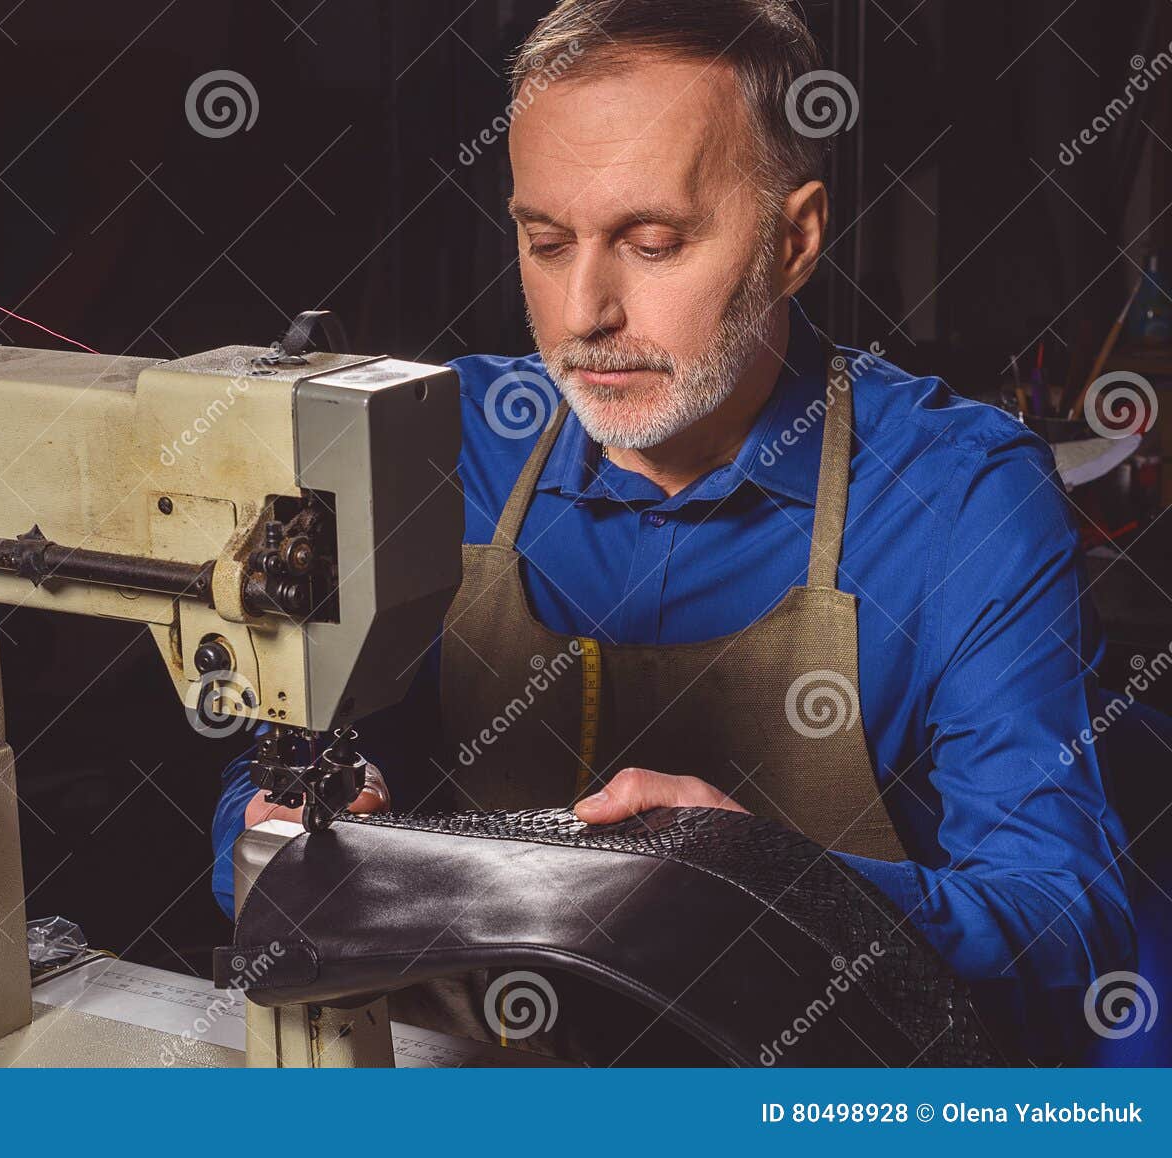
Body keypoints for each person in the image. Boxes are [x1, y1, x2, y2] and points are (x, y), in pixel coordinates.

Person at [212, 0, 1135, 1062]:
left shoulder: (957, 497)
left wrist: (760, 886)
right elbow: (269, 775)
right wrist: (286, 828)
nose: (583, 312)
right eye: (544, 242)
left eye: (651, 244)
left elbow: (1068, 938)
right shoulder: (437, 444)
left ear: (792, 241)